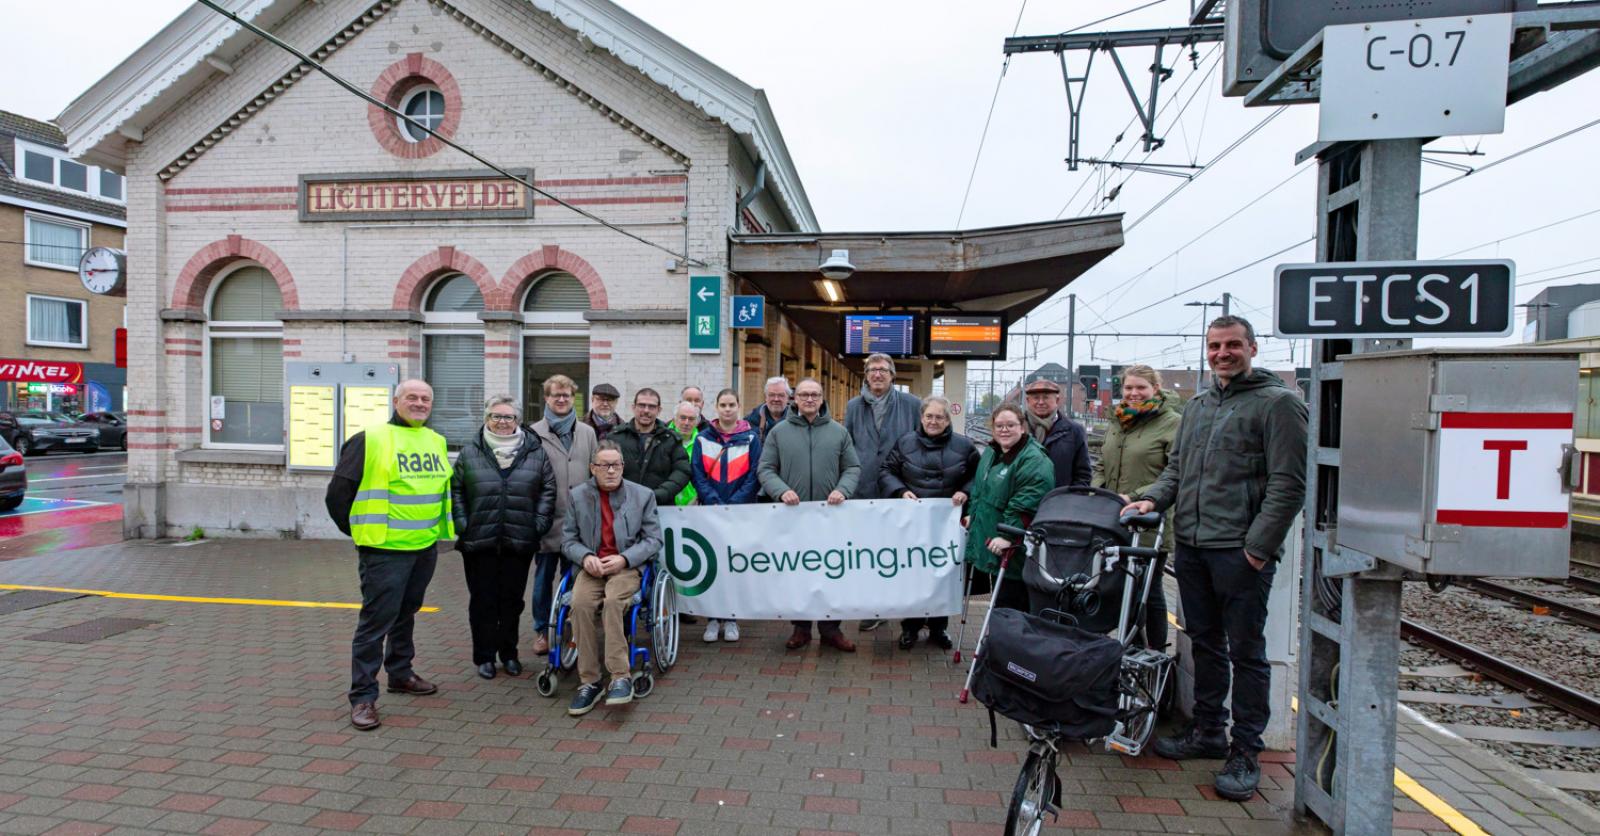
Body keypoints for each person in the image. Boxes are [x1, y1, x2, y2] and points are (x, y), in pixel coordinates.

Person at [1122, 315, 1308, 802]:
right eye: (1214, 346)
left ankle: (1246, 750)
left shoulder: (1280, 404)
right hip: (1193, 546)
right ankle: (1208, 731)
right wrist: (1151, 499)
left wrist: (1257, 549)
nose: (1222, 353)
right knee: (1204, 641)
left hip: (1239, 552)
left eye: (1232, 345)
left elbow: (1289, 484)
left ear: (1252, 347)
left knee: (1248, 652)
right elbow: (1178, 471)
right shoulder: (1200, 406)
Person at [324, 379, 452, 731]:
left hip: (424, 547)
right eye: (412, 397)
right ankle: (363, 697)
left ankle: (400, 673)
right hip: (383, 550)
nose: (420, 403)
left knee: (405, 613)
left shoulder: (436, 440)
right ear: (396, 401)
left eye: (426, 398)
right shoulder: (371, 438)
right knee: (375, 623)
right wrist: (359, 531)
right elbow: (338, 493)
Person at [450, 395, 557, 680]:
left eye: (508, 417)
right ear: (486, 419)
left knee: (511, 601)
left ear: (517, 421)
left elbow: (548, 488)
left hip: (519, 539)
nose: (501, 421)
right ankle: (484, 657)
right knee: (482, 600)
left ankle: (508, 654)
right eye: (495, 416)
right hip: (479, 540)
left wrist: (538, 524)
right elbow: (457, 489)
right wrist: (463, 523)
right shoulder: (471, 451)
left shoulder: (534, 450)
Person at [757, 377, 861, 652]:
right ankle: (801, 628)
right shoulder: (779, 433)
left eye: (815, 394)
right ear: (795, 399)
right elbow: (765, 469)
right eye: (804, 395)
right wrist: (781, 491)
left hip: (831, 517)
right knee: (797, 573)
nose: (810, 399)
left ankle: (831, 629)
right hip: (794, 519)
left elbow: (852, 468)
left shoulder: (839, 432)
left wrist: (843, 490)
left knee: (832, 572)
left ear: (822, 398)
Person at [560, 441, 663, 715]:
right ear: (593, 468)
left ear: (622, 466)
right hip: (592, 567)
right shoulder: (578, 495)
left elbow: (654, 540)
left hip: (626, 567)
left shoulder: (642, 495)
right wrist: (584, 557)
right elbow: (567, 539)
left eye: (616, 465)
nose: (611, 471)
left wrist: (625, 558)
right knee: (579, 605)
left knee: (614, 602)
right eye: (604, 465)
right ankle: (589, 681)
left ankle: (620, 676)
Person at [1091, 366, 1181, 651]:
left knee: (1149, 591)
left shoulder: (1172, 423)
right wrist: (1098, 493)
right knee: (1122, 588)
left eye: (1141, 387)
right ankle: (1131, 647)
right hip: (1113, 520)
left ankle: (1155, 653)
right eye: (1129, 388)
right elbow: (1102, 463)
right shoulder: (1118, 422)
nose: (1134, 393)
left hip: (1150, 522)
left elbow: (1175, 473)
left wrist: (1134, 496)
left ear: (1156, 388)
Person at [881, 396, 978, 650]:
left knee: (943, 576)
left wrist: (966, 491)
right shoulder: (905, 443)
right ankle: (910, 628)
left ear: (948, 420)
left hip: (946, 526)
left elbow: (979, 476)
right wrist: (901, 491)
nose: (933, 421)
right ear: (921, 418)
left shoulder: (965, 447)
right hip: (912, 524)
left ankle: (938, 628)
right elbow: (887, 471)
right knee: (914, 576)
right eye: (929, 416)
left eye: (940, 417)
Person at [844, 353, 924, 632]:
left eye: (883, 370)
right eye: (872, 370)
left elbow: (922, 442)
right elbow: (848, 445)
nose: (877, 374)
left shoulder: (912, 405)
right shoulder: (853, 406)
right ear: (865, 375)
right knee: (868, 552)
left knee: (901, 552)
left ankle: (908, 609)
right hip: (863, 490)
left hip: (901, 490)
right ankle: (873, 607)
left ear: (893, 375)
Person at [529, 375, 599, 658]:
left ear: (574, 398)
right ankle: (541, 630)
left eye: (567, 395)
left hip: (580, 522)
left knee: (575, 578)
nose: (561, 399)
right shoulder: (533, 433)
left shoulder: (587, 432)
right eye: (556, 395)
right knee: (543, 579)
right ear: (546, 398)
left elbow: (595, 470)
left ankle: (569, 625)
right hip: (548, 519)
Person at [963, 403, 1055, 614]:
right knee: (998, 599)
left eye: (1010, 425)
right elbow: (980, 490)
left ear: (1022, 427)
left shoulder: (1034, 460)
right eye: (999, 425)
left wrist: (1008, 535)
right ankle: (997, 639)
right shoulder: (991, 452)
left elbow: (1026, 502)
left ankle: (1008, 642)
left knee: (1011, 602)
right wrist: (972, 515)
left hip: (1013, 549)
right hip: (990, 540)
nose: (1004, 430)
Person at [691, 388, 762, 643]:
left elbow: (755, 474)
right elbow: (697, 473)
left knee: (733, 565)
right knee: (712, 565)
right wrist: (713, 500)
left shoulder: (752, 438)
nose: (728, 409)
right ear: (716, 407)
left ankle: (731, 618)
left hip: (740, 512)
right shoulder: (702, 438)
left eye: (732, 404)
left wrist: (735, 502)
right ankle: (712, 618)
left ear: (738, 406)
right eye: (723, 405)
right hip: (710, 512)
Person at [611, 388, 692, 506]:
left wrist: (661, 494)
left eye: (652, 406)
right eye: (641, 405)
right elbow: (605, 469)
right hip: (623, 506)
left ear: (659, 410)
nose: (646, 410)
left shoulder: (671, 439)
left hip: (660, 507)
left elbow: (682, 471)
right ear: (633, 407)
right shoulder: (615, 438)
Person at [1022, 378, 1091, 489]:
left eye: (1046, 397)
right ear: (1028, 400)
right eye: (1036, 398)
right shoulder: (1016, 427)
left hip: (1060, 501)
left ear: (1057, 400)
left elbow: (1083, 474)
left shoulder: (1074, 430)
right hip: (1021, 502)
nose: (1040, 402)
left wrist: (1072, 499)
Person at [670, 401, 700, 507]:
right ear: (674, 419)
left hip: (695, 503)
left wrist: (698, 497)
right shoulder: (662, 439)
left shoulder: (702, 443)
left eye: (691, 419)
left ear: (696, 422)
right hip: (667, 502)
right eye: (683, 418)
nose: (686, 423)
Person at [746, 376, 791, 442]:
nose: (776, 399)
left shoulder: (797, 421)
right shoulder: (751, 422)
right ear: (766, 397)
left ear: (788, 398)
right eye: (772, 395)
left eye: (781, 395)